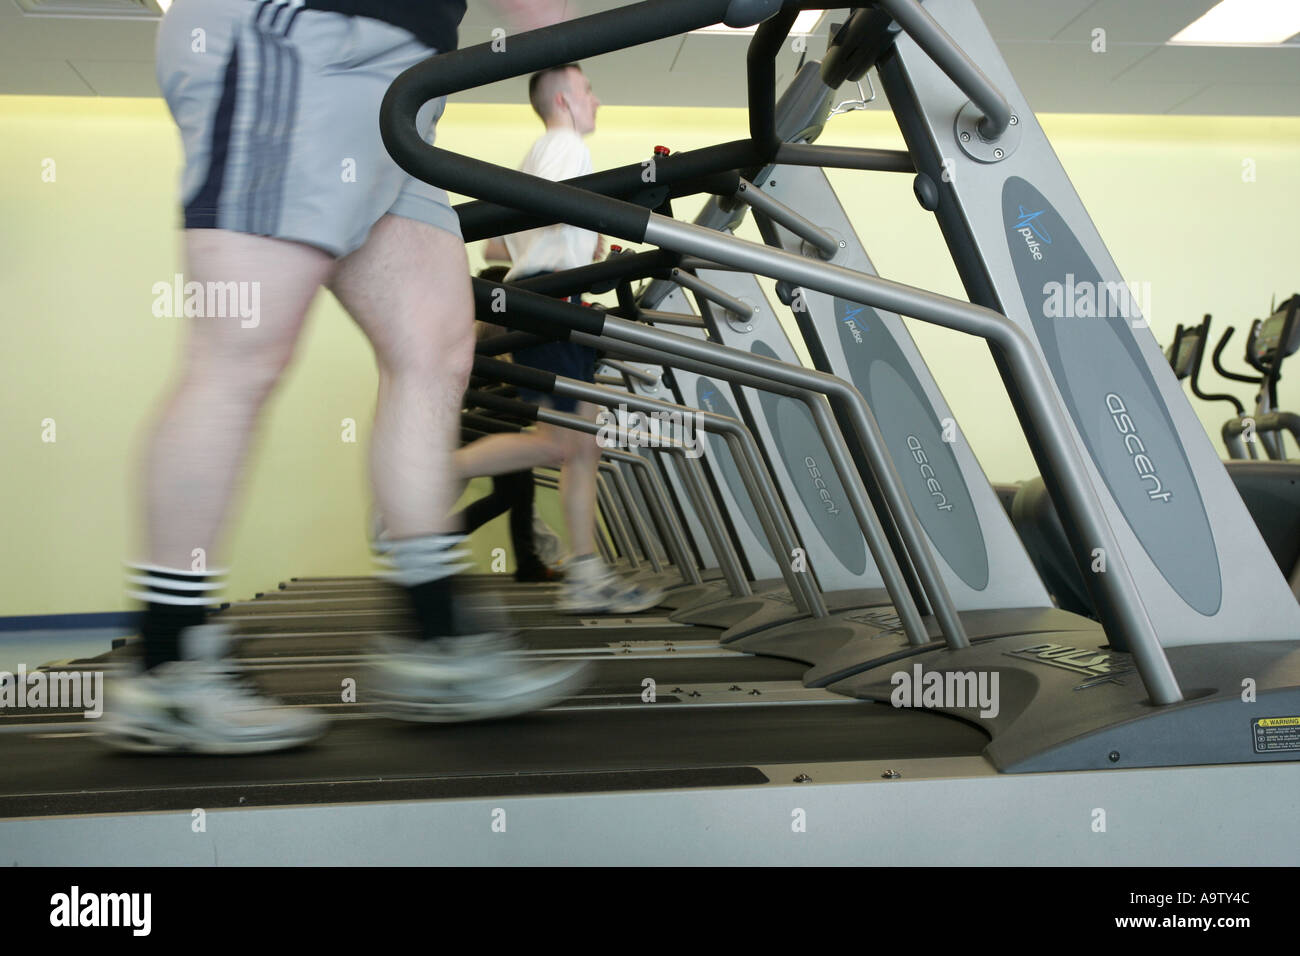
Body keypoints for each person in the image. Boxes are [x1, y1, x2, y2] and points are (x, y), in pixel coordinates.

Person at [103, 0, 587, 755]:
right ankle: (167, 665)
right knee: (242, 349)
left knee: (436, 349)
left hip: (403, 86)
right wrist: (559, 48)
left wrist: (559, 54)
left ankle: (437, 643)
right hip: (301, 37)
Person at [456, 63, 663, 614]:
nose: (596, 100)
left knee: (565, 444)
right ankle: (584, 573)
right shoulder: (566, 146)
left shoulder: (537, 155)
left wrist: (575, 239)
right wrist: (584, 232)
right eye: (589, 91)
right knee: (576, 445)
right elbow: (545, 217)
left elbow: (496, 251)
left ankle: (584, 573)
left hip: (539, 301)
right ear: (566, 101)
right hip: (552, 302)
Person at [457, 268, 564, 582]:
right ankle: (436, 538)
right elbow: (512, 374)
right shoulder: (495, 327)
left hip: (492, 419)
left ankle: (528, 562)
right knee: (509, 495)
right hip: (497, 422)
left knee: (519, 494)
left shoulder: (480, 326)